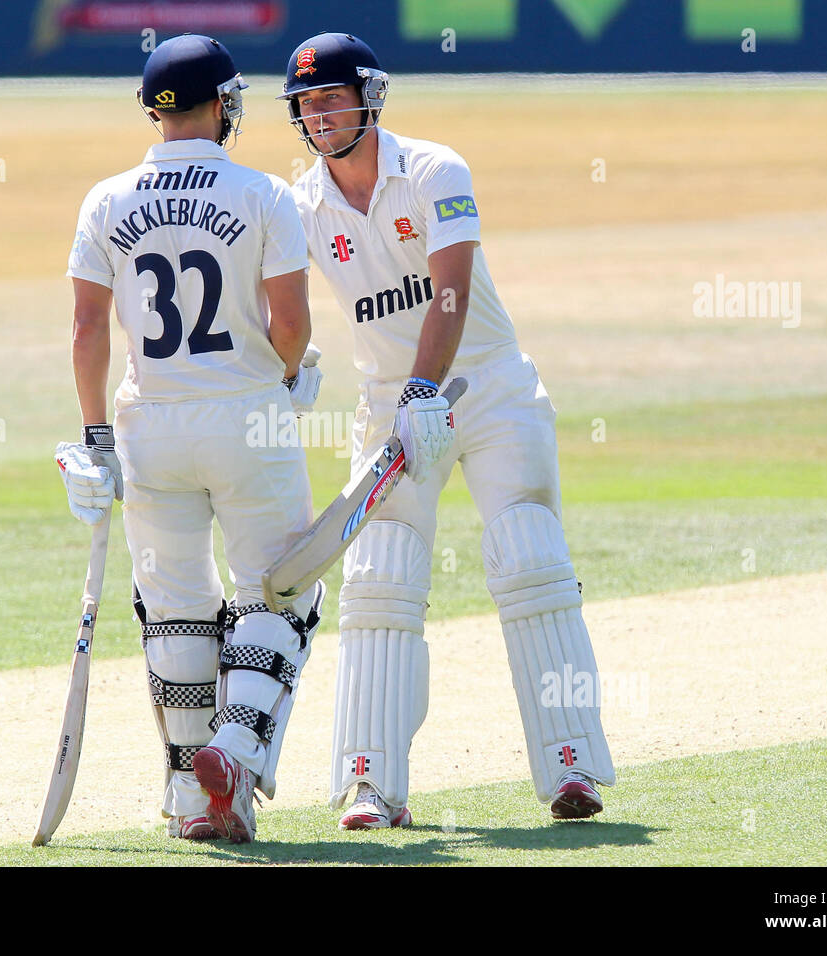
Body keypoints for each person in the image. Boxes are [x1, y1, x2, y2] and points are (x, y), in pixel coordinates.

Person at [279, 32, 615, 830]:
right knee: (380, 579)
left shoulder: (434, 169)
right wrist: (290, 367)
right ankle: (370, 781)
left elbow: (452, 293)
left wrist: (427, 389)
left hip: (489, 384)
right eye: (305, 105)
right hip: (390, 402)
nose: (320, 116)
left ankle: (572, 762)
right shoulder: (298, 206)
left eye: (332, 98)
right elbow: (273, 309)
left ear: (370, 96)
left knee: (530, 555)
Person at [55, 33, 325, 844]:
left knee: (174, 610)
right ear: (221, 105)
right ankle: (236, 753)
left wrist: (97, 435)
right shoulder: (266, 195)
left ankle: (191, 799)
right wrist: (290, 374)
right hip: (246, 415)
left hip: (150, 425)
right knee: (283, 591)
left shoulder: (105, 200)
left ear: (152, 111)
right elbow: (290, 325)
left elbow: (86, 329)